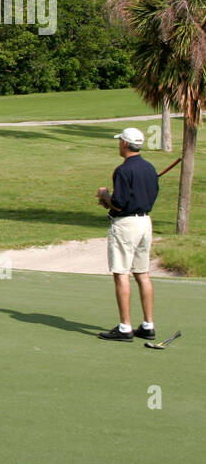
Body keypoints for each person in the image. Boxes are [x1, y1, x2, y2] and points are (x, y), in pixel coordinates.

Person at [96, 127, 158, 341]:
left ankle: (125, 328)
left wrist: (105, 196)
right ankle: (148, 325)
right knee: (142, 273)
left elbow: (120, 204)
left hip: (126, 226)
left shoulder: (122, 170)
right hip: (145, 223)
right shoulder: (149, 168)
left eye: (119, 141)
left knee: (121, 273)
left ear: (124, 143)